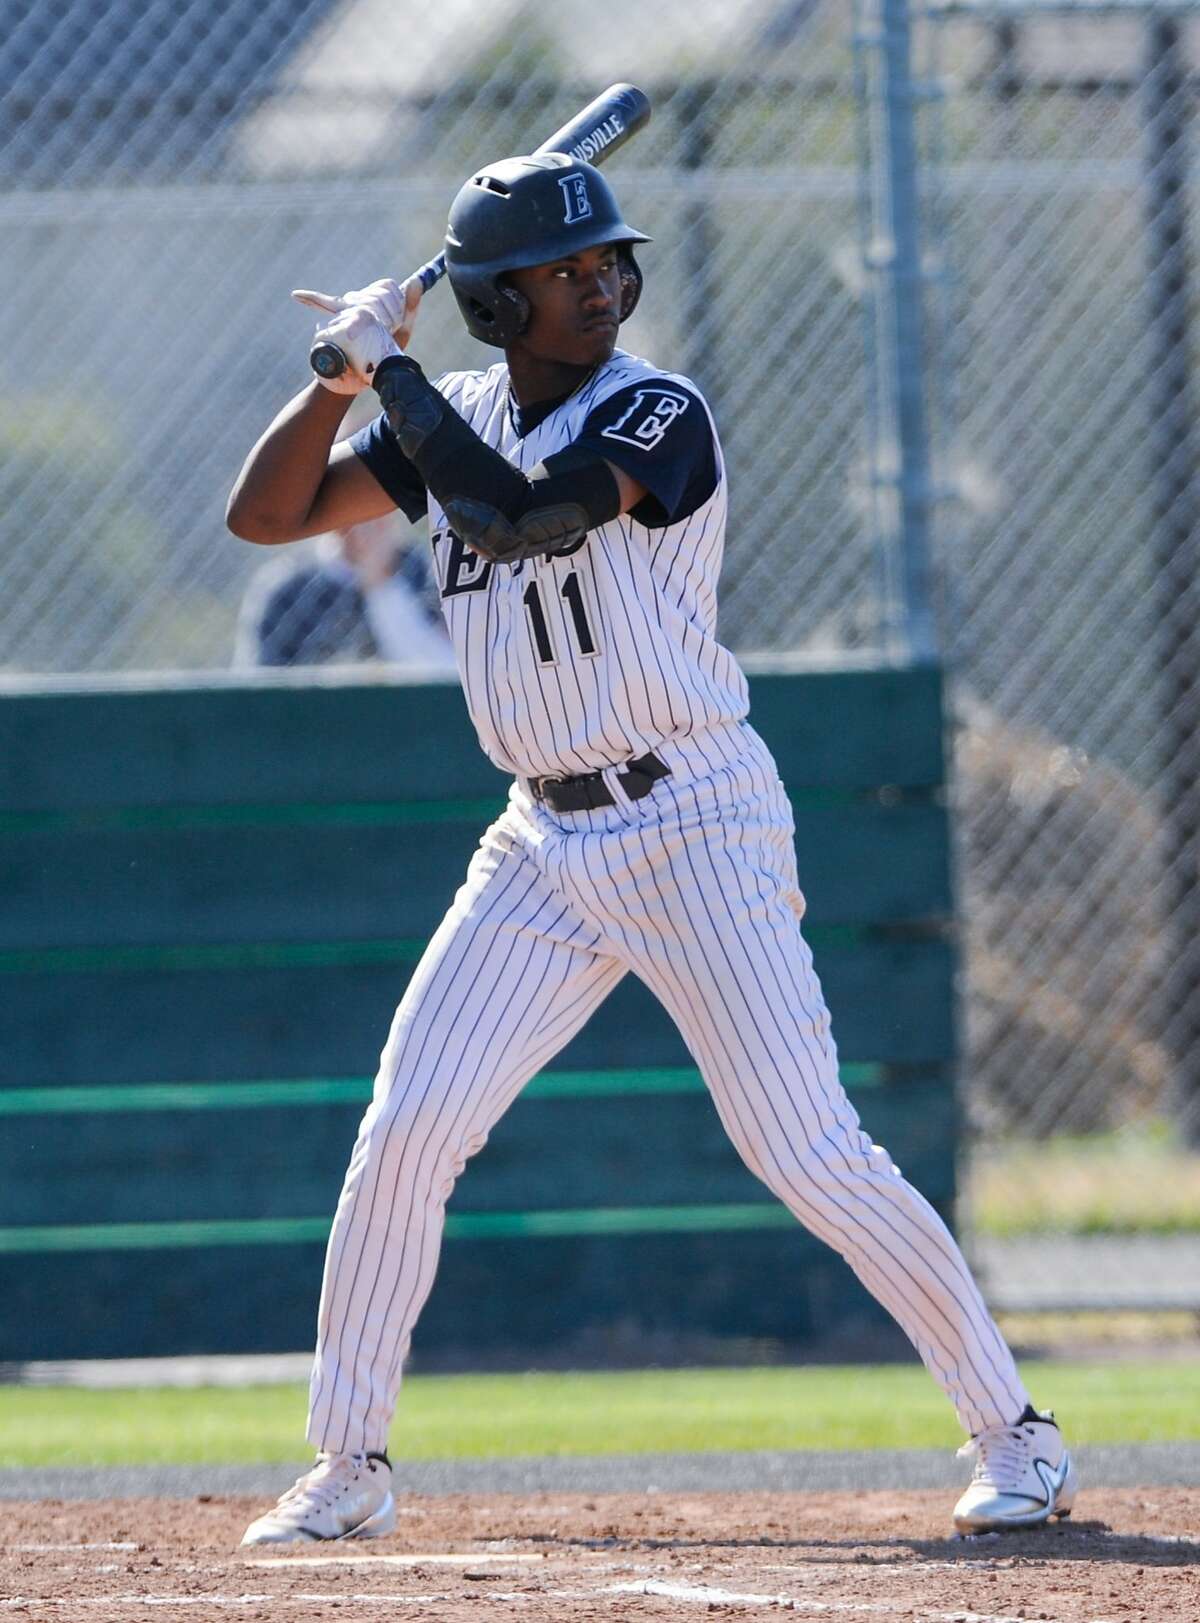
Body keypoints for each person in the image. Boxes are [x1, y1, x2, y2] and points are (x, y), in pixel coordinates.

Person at [226, 152, 1076, 1544]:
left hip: (692, 819)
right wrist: (341, 377)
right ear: (496, 308)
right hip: (538, 842)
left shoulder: (659, 411)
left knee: (803, 1146)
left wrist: (393, 376)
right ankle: (349, 1463)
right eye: (565, 274)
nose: (602, 284)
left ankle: (1017, 1436)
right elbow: (266, 518)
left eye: (608, 261)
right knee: (408, 1128)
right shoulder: (449, 414)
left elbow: (515, 518)